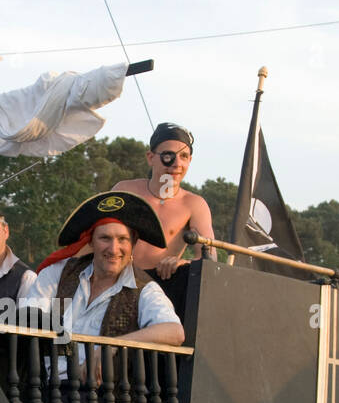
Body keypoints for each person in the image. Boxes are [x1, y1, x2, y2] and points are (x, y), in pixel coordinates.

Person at [27, 191, 184, 349]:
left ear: (133, 243)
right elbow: (27, 317)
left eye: (122, 239)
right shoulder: (58, 273)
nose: (114, 249)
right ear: (91, 242)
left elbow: (174, 332)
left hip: (102, 374)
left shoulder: (144, 289)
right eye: (105, 238)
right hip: (46, 373)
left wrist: (112, 348)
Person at [110, 122, 215, 309]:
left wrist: (183, 263)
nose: (176, 163)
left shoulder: (194, 205)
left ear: (190, 161)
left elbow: (209, 259)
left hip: (158, 288)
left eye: (184, 156)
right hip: (113, 278)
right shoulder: (124, 190)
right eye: (168, 155)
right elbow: (92, 236)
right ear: (151, 158)